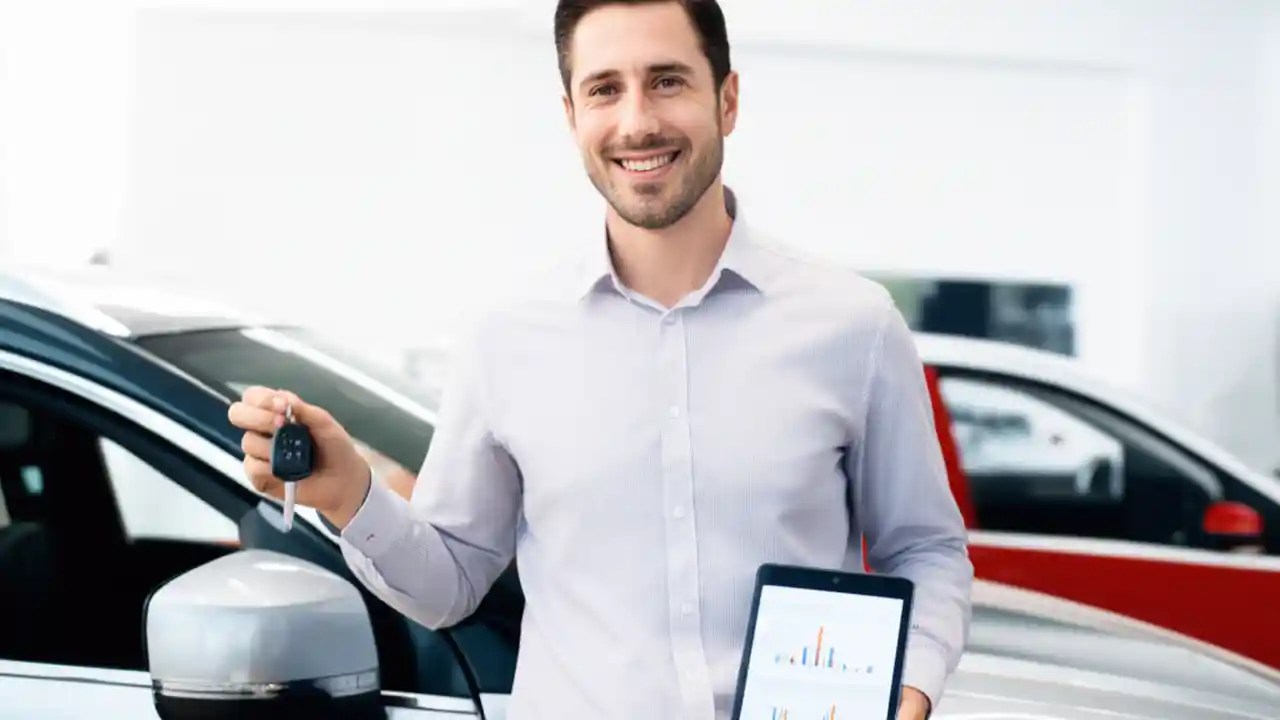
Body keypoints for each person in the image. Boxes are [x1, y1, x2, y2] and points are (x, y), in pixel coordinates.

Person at [227, 1, 973, 718]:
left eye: (668, 80)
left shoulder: (853, 324)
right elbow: (450, 583)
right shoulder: (505, 336)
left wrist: (908, 689)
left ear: (729, 100)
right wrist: (350, 495)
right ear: (571, 116)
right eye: (605, 89)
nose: (637, 121)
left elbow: (927, 548)